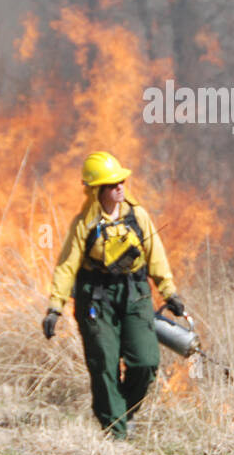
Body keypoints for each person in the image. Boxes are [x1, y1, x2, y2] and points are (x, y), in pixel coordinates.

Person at [42, 151, 186, 440]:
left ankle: (125, 410)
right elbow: (67, 265)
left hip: (134, 294)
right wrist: (54, 307)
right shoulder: (84, 223)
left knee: (145, 361)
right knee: (104, 363)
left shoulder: (138, 216)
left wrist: (169, 292)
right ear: (97, 191)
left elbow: (155, 256)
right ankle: (116, 433)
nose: (120, 187)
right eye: (112, 184)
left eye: (121, 181)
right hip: (96, 299)